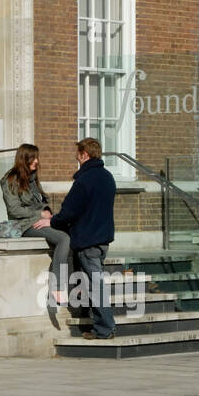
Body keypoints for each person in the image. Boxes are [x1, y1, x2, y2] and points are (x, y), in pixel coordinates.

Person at [50, 138, 117, 339]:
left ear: (85, 155)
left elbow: (69, 211)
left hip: (88, 240)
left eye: (78, 154)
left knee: (96, 284)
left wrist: (53, 221)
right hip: (103, 240)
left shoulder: (84, 180)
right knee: (93, 282)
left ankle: (105, 327)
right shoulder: (108, 177)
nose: (76, 158)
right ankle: (98, 321)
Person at [0, 144, 72, 306]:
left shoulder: (32, 179)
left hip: (40, 222)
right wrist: (39, 214)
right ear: (24, 159)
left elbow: (40, 203)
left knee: (73, 232)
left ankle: (77, 284)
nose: (37, 162)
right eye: (33, 158)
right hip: (24, 225)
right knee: (63, 238)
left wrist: (48, 214)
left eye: (37, 158)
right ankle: (57, 286)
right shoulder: (10, 180)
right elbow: (14, 210)